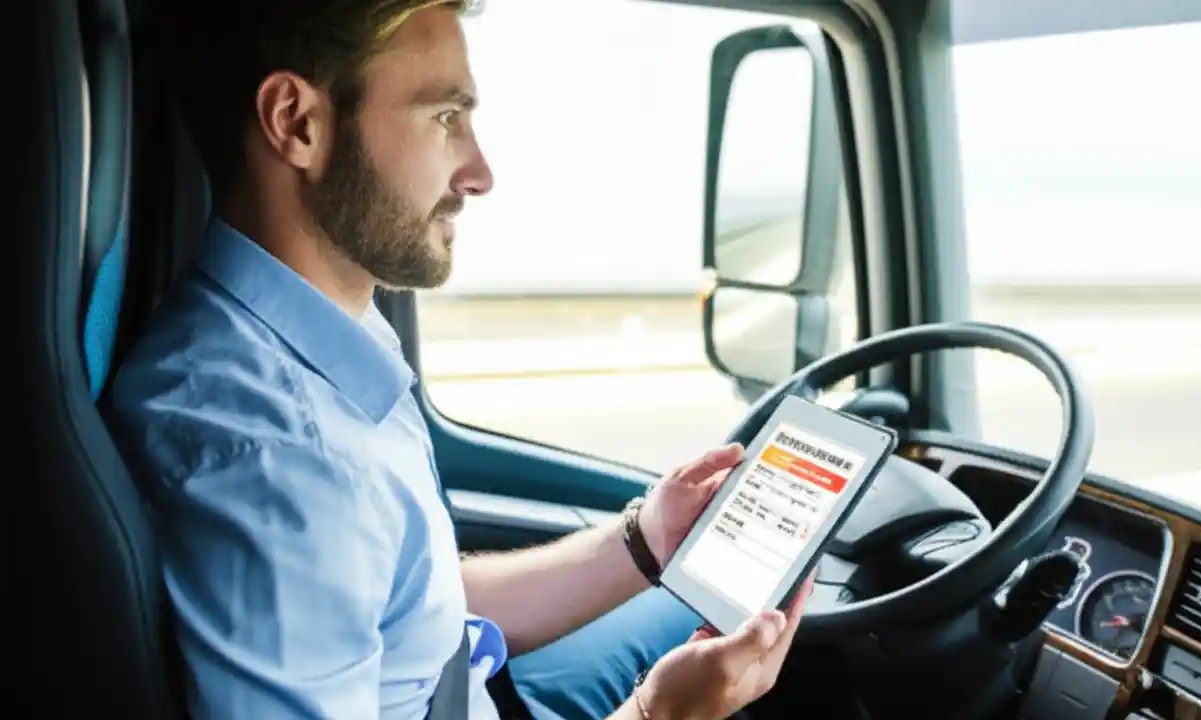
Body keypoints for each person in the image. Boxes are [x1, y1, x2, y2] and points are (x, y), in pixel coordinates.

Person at [110, 1, 813, 718]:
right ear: (298, 122)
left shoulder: (322, 337)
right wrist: (657, 713)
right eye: (445, 117)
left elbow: (410, 605)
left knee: (690, 609)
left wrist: (646, 540)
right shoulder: (277, 460)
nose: (479, 173)